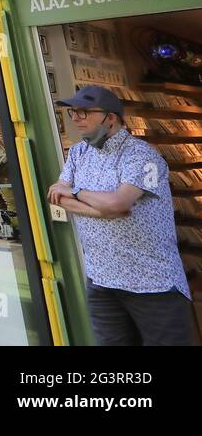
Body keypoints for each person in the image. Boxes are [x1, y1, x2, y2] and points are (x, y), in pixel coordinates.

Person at [46, 85, 196, 346]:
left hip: (152, 284)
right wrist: (101, 207)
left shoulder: (142, 155)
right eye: (73, 113)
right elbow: (58, 199)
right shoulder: (79, 152)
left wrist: (78, 191)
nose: (76, 118)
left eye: (84, 112)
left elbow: (118, 203)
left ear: (110, 117)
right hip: (102, 280)